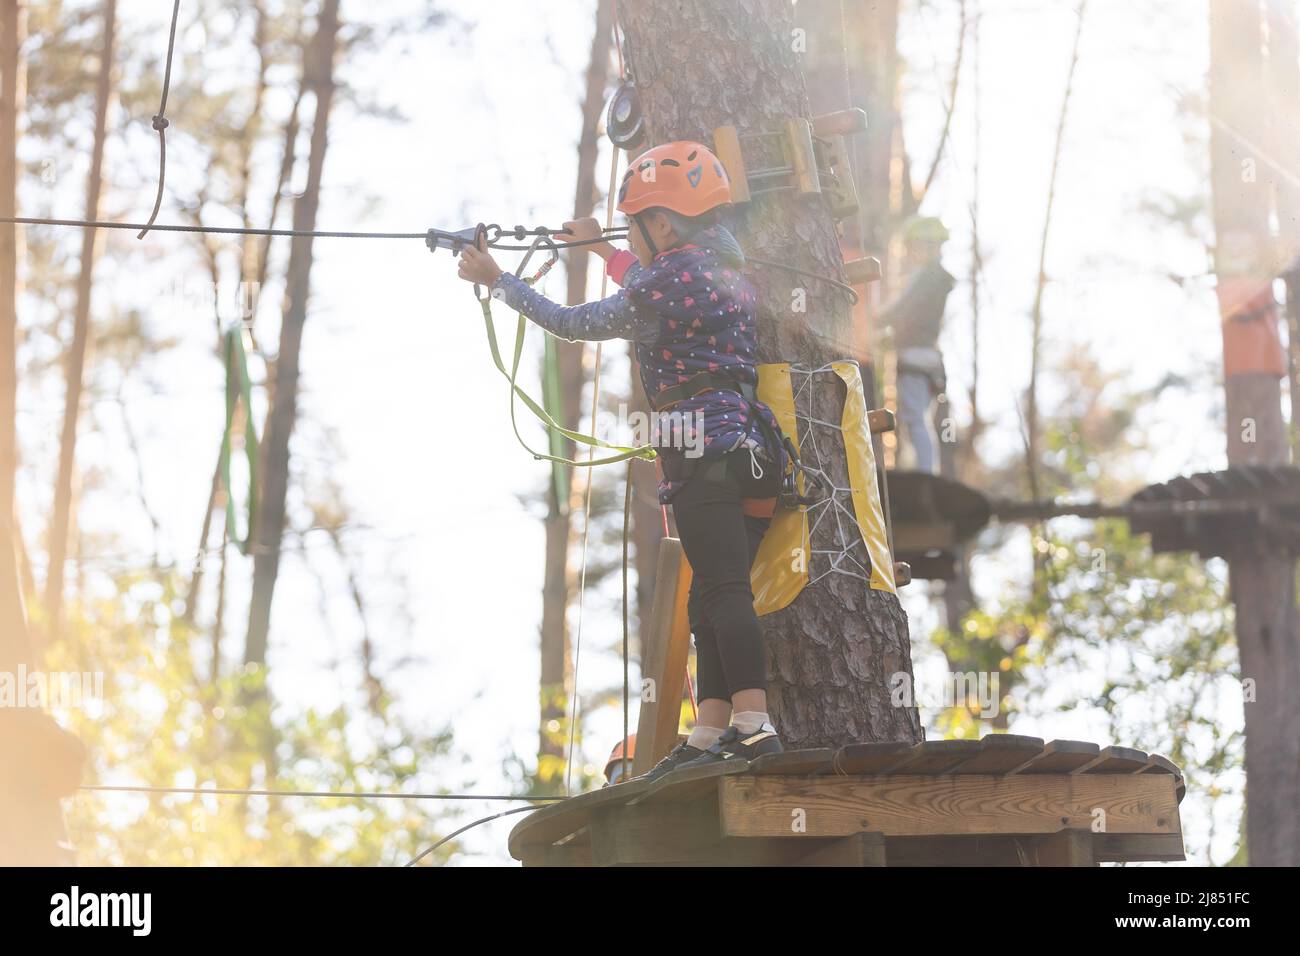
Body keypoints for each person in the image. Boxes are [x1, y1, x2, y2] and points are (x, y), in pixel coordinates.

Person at [457, 142, 786, 780]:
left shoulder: (663, 281)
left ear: (661, 223)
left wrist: (498, 281)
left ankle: (753, 726)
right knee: (712, 601)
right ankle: (710, 732)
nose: (629, 237)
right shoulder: (719, 269)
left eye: (634, 223)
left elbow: (570, 320)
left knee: (720, 592)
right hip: (751, 452)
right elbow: (646, 283)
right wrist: (600, 250)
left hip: (704, 453)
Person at [881, 215, 954, 474]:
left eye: (914, 247)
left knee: (915, 420)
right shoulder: (934, 279)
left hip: (916, 354)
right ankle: (924, 471)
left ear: (928, 246)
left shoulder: (926, 278)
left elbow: (904, 307)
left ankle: (925, 475)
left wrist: (879, 319)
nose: (910, 254)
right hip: (929, 357)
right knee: (919, 420)